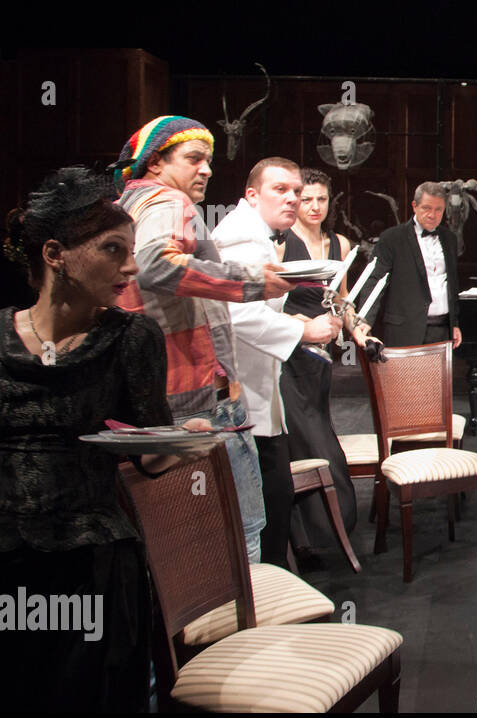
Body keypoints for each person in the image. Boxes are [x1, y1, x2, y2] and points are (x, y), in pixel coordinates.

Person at [0, 167, 195, 712]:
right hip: (7, 562)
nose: (130, 268)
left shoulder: (132, 338)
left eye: (131, 250)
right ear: (56, 253)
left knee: (88, 713)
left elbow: (151, 456)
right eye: (113, 250)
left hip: (92, 565)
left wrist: (186, 445)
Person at [114, 115, 291, 563]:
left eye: (208, 160)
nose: (207, 170)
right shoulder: (167, 199)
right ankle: (243, 629)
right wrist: (251, 282)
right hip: (200, 401)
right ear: (155, 162)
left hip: (166, 394)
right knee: (241, 530)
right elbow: (156, 263)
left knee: (188, 542)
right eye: (194, 159)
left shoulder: (127, 204)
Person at [213, 158, 341, 569]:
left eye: (296, 192)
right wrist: (304, 332)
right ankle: (261, 607)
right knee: (264, 508)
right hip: (241, 392)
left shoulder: (257, 234)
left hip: (258, 386)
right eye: (280, 190)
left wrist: (293, 321)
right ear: (252, 194)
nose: (293, 199)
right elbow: (238, 315)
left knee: (274, 497)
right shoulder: (242, 238)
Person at [280, 168, 359, 555]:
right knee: (312, 447)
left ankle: (318, 540)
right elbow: (267, 307)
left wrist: (361, 332)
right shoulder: (281, 242)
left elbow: (343, 302)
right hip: (288, 359)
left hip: (322, 363)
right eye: (306, 199)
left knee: (318, 438)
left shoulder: (338, 244)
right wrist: (303, 324)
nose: (313, 207)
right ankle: (312, 540)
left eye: (321, 200)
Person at [353, 182, 461, 348]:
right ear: (414, 206)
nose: (432, 214)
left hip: (442, 329)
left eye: (438, 209)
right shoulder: (392, 238)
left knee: (440, 376)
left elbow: (451, 284)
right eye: (426, 208)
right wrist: (364, 320)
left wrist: (454, 323)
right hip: (404, 330)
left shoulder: (449, 239)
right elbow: (374, 280)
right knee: (405, 375)